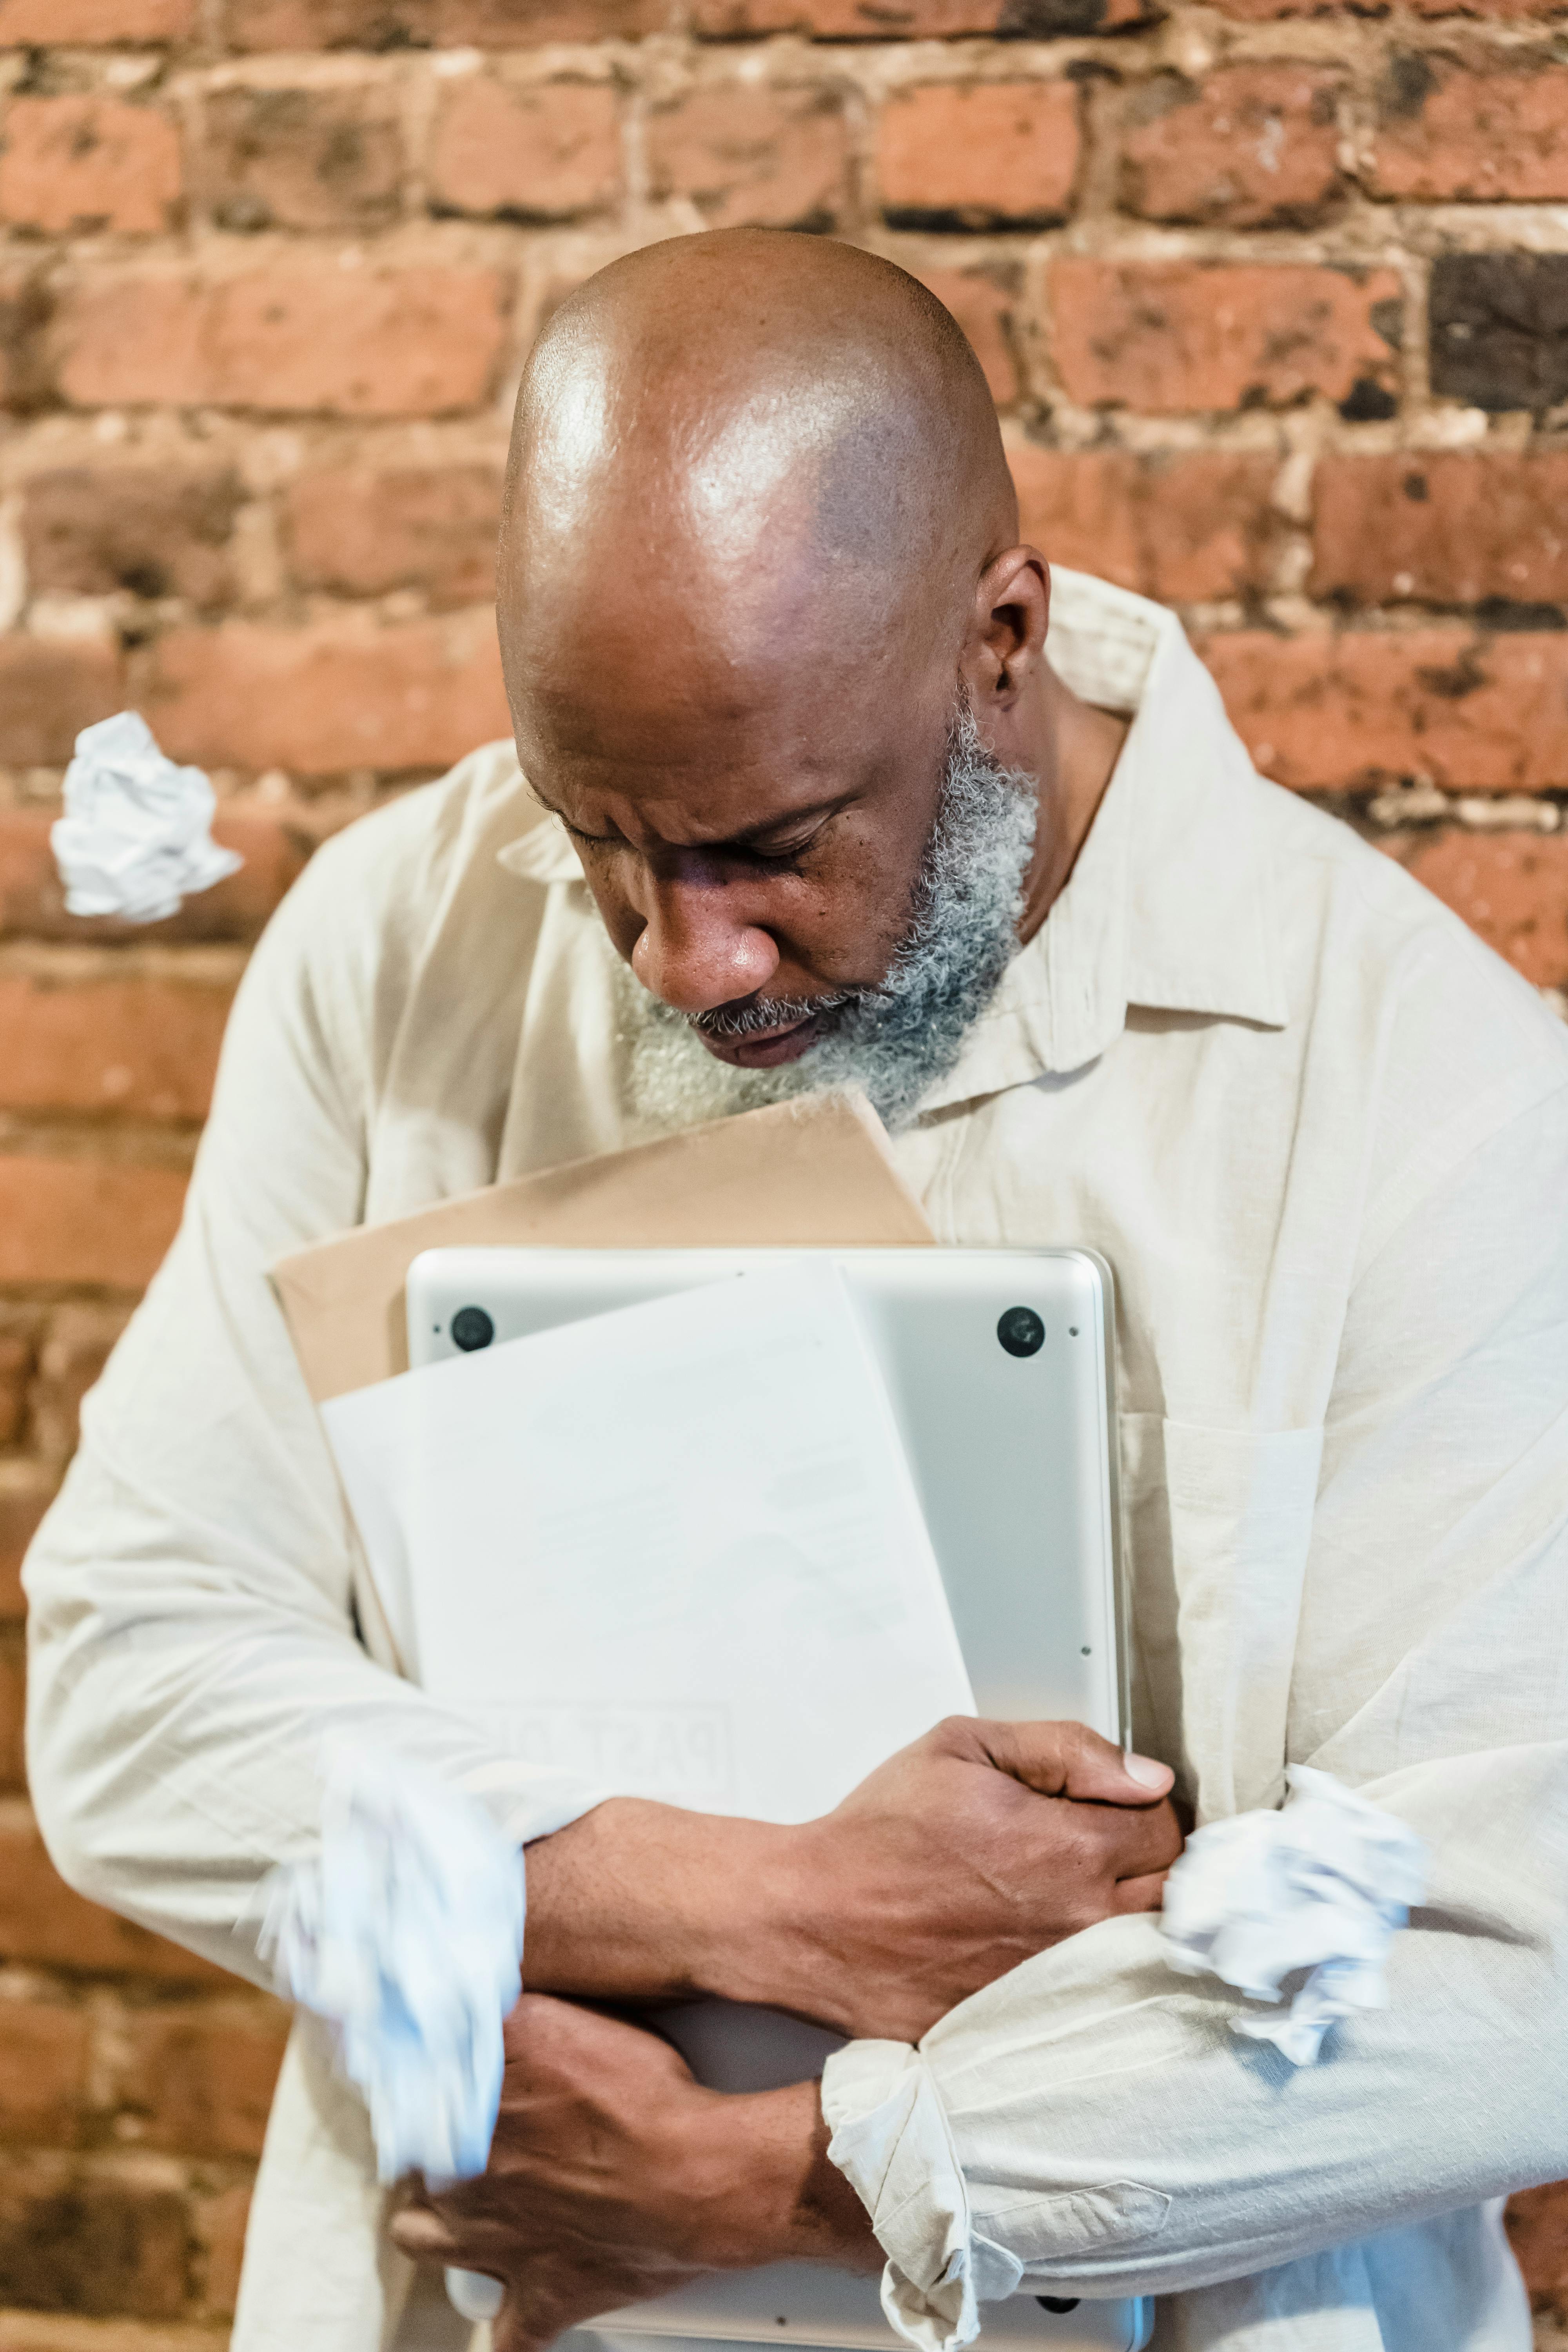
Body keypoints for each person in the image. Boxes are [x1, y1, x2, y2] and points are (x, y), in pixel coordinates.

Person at [24, 230, 1568, 2352]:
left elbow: (1513, 1965)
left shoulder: (1429, 1091)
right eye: (604, 839)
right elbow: (133, 1686)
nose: (683, 954)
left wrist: (786, 2182)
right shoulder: (397, 939)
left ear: (996, 639)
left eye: (770, 844)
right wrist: (773, 1903)